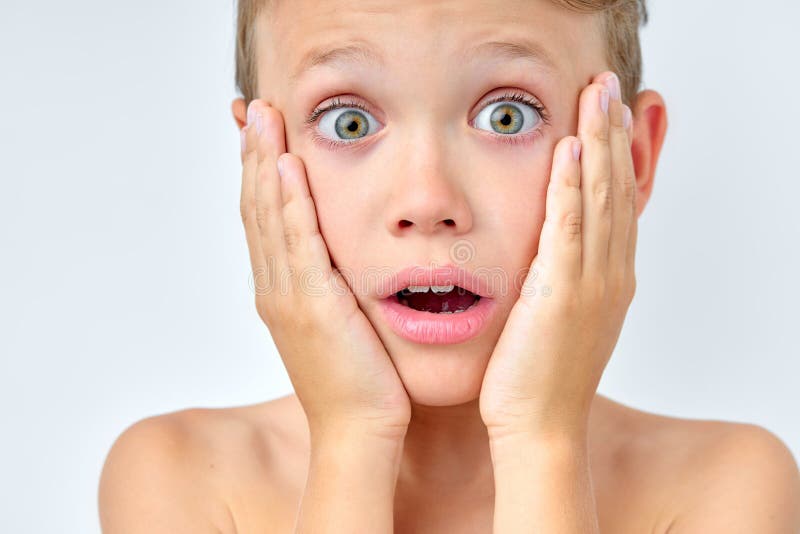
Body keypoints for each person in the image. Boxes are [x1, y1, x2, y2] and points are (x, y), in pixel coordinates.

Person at [97, 0, 800, 532]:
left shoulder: (726, 488)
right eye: (349, 121)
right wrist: (352, 433)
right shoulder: (179, 479)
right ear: (258, 165)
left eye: (507, 117)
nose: (428, 201)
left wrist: (541, 435)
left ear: (632, 159)